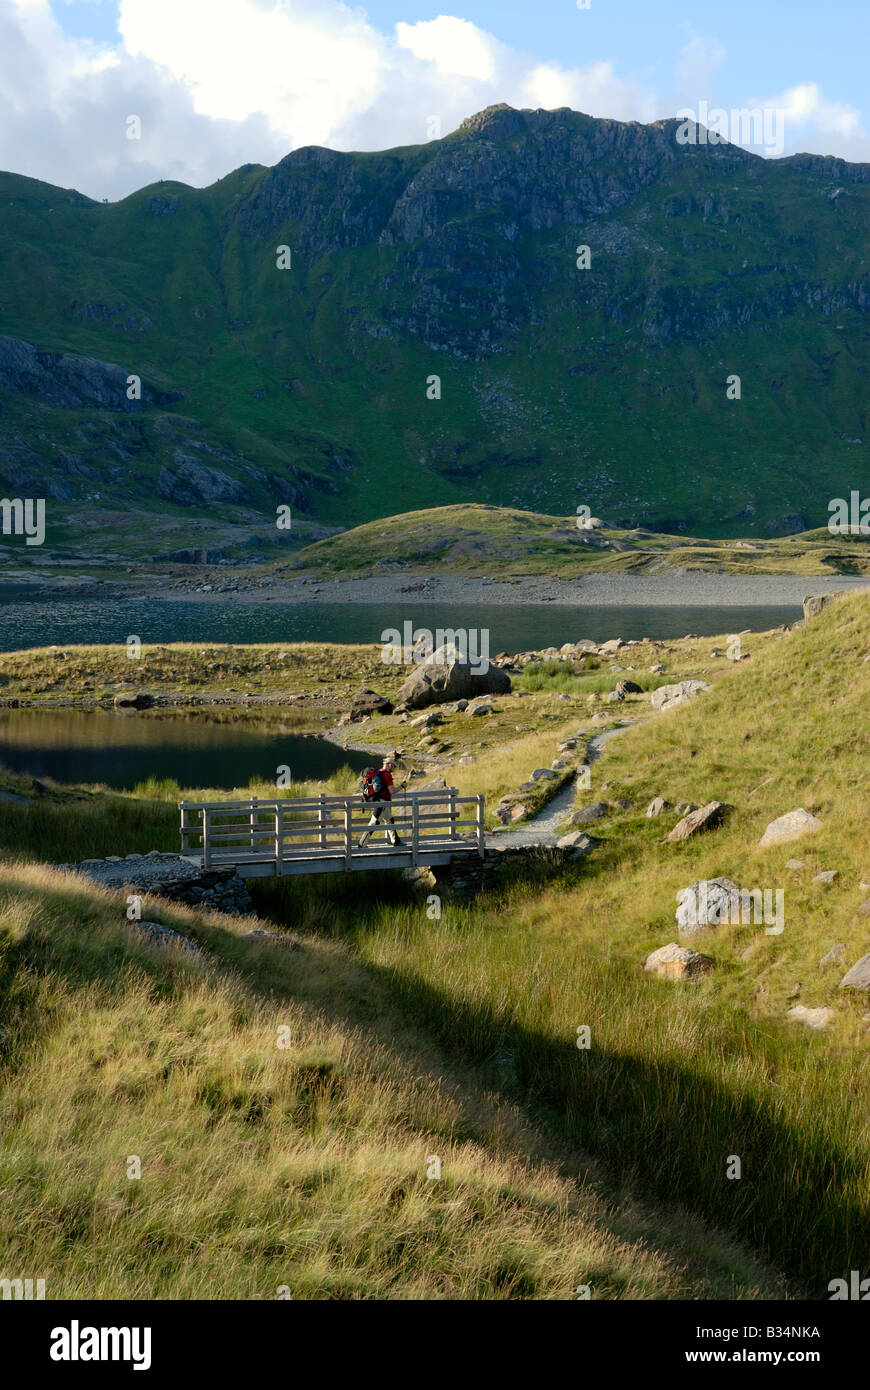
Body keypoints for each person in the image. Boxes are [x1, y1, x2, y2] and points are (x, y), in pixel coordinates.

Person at [358, 758, 407, 848]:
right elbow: (392, 790)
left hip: (379, 801)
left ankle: (396, 841)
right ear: (389, 764)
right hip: (382, 803)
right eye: (393, 766)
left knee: (389, 821)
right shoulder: (386, 775)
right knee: (374, 823)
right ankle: (362, 844)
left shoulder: (378, 771)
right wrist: (401, 786)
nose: (393, 768)